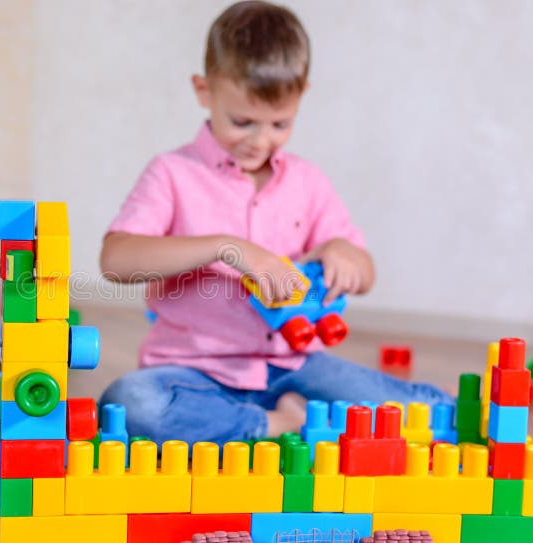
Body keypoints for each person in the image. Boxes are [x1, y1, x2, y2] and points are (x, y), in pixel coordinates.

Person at [99, 1, 451, 446]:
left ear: (302, 96)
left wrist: (344, 254)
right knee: (131, 404)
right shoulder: (172, 173)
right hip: (194, 373)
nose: (260, 140)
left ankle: (269, 423)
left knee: (425, 415)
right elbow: (116, 261)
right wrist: (228, 248)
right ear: (204, 91)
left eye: (280, 124)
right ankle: (279, 425)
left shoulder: (307, 181)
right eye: (242, 122)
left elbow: (366, 274)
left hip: (295, 368)